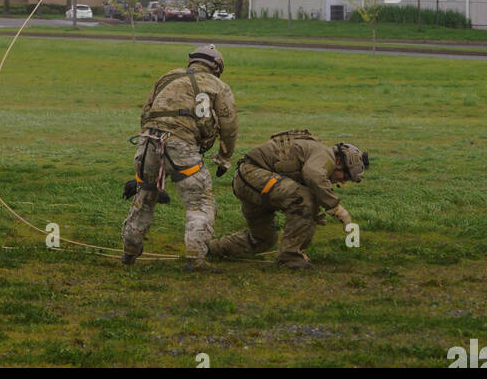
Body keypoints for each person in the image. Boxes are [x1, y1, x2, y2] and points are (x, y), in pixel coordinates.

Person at [121, 43, 238, 270]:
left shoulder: (167, 78)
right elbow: (229, 124)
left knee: (144, 196)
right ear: (217, 67)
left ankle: (129, 251)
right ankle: (196, 259)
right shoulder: (218, 86)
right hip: (182, 147)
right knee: (200, 201)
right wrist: (225, 157)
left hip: (148, 142)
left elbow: (146, 112)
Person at [208, 131, 368, 269]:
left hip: (251, 181)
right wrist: (336, 207)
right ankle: (289, 256)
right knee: (304, 198)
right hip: (253, 175)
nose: (343, 181)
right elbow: (313, 175)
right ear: (339, 162)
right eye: (345, 176)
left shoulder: (319, 157)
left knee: (263, 239)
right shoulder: (326, 155)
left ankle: (211, 249)